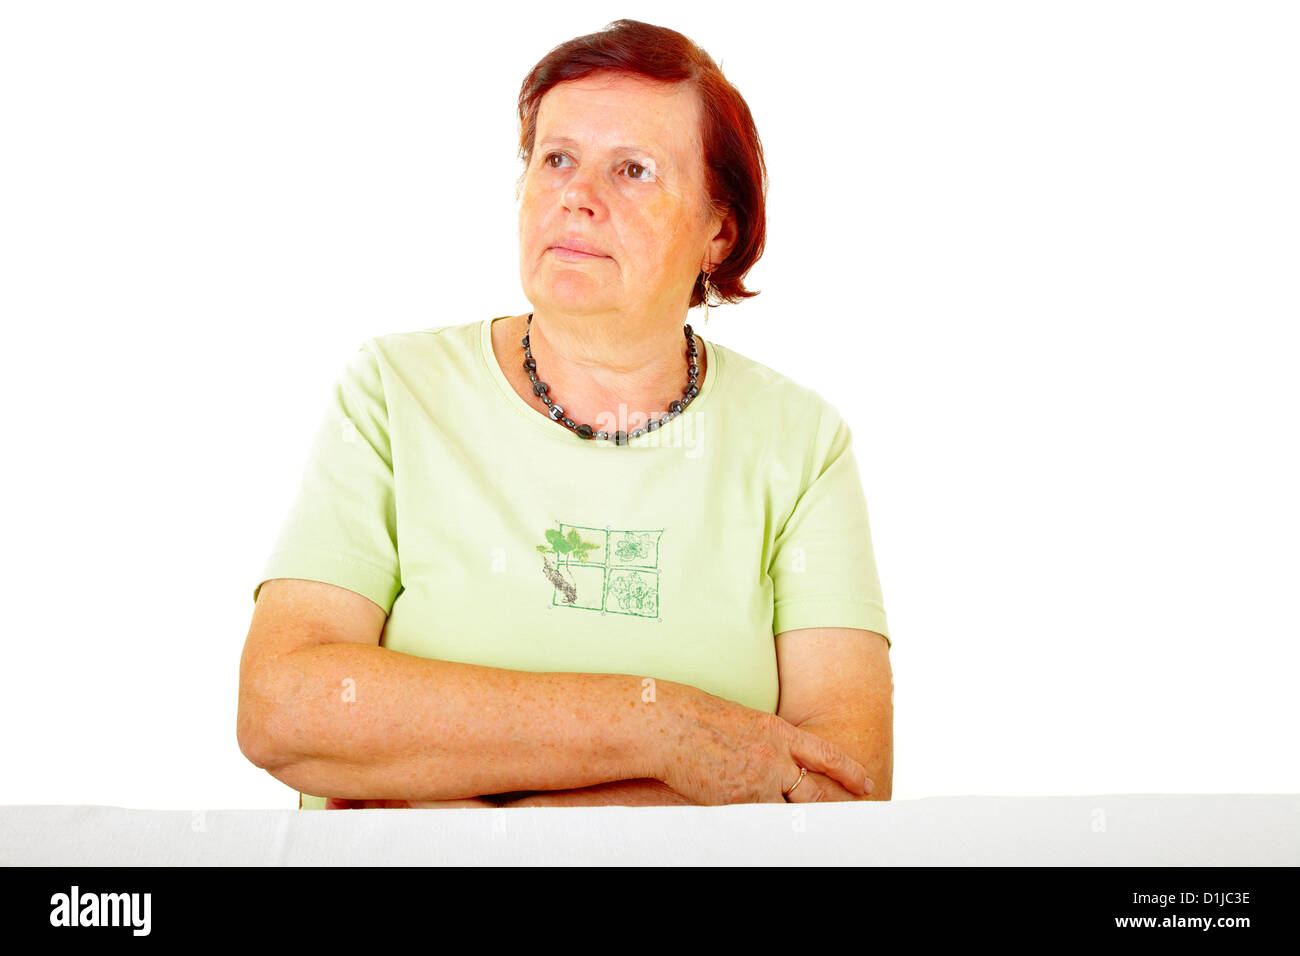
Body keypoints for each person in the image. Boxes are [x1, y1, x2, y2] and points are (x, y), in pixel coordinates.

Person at [237, 18, 893, 810]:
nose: (578, 197)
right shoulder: (393, 392)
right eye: (556, 159)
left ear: (719, 229)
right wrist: (662, 730)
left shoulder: (801, 443)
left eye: (634, 170)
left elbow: (842, 788)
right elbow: (284, 706)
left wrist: (479, 817)